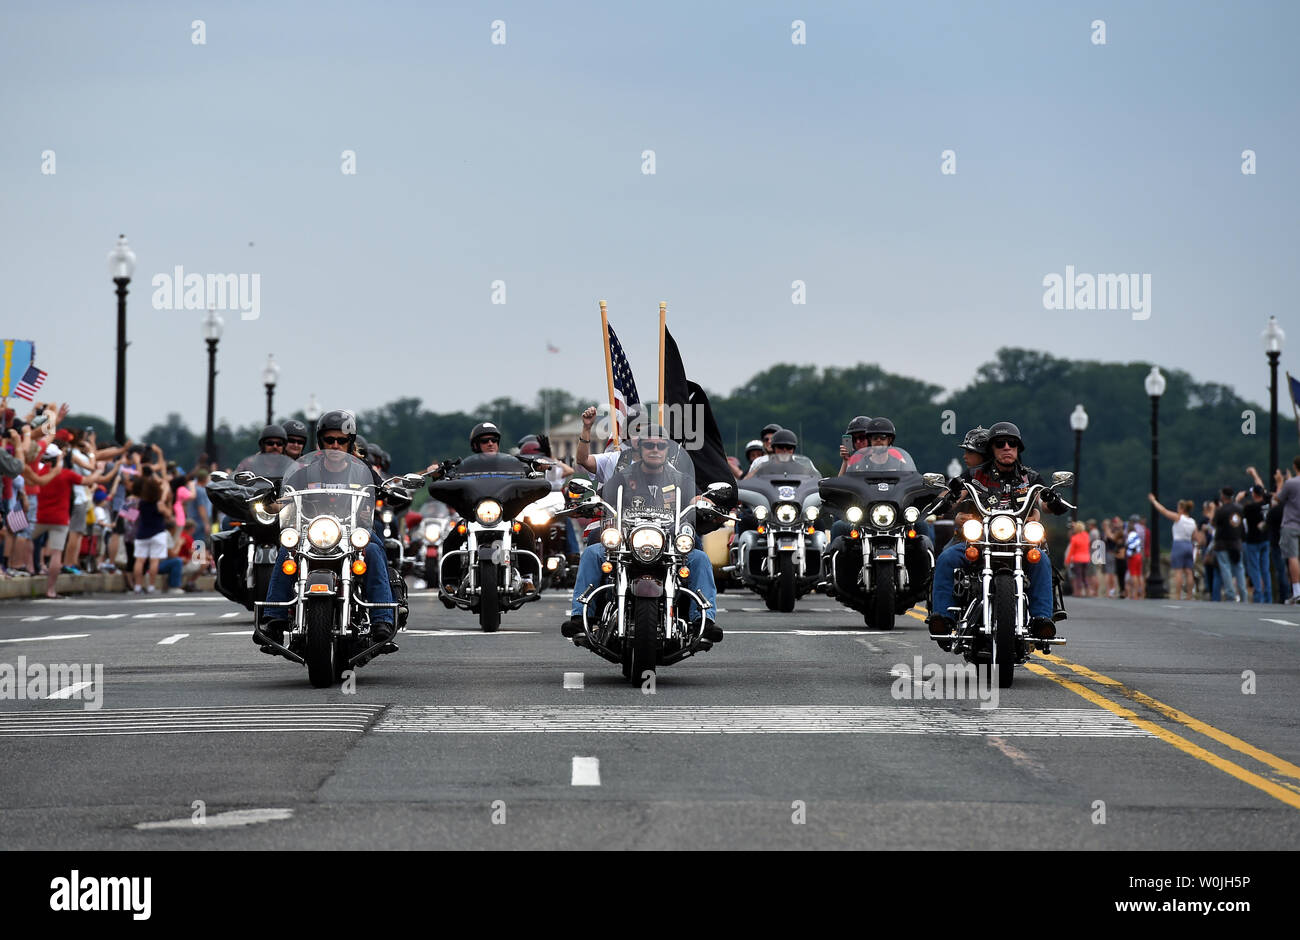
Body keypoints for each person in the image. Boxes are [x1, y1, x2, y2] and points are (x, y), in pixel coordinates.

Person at [561, 431, 723, 643]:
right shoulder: (624, 477)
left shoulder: (680, 479)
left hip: (669, 543)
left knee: (699, 558)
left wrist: (704, 503)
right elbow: (602, 496)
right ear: (640, 449)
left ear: (667, 449)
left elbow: (697, 497)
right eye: (649, 445)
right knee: (592, 553)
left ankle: (703, 620)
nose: (655, 450)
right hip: (628, 542)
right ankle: (581, 616)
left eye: (660, 446)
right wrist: (589, 502)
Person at [256, 410, 397, 649]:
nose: (335, 445)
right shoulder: (306, 469)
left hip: (353, 530)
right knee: (286, 551)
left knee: (373, 550)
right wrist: (273, 499)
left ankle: (382, 621)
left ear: (350, 442)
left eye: (341, 440)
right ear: (320, 441)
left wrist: (389, 491)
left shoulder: (361, 470)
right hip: (313, 530)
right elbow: (285, 493)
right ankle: (274, 621)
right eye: (329, 440)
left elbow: (382, 490)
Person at [928, 421, 1068, 642]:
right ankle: (943, 618)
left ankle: (1042, 619)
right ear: (991, 449)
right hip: (979, 541)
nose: (1006, 447)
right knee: (946, 558)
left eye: (1012, 443)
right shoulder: (974, 475)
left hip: (1020, 544)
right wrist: (947, 499)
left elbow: (1046, 503)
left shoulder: (1030, 477)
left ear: (1018, 448)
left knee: (1041, 559)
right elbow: (950, 497)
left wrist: (1054, 499)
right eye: (1000, 444)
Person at [1148, 494, 1197, 600]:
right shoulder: (1192, 521)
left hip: (1179, 544)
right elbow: (1195, 536)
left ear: (1182, 508)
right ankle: (1189, 595)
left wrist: (1154, 501)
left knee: (1178, 571)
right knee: (1189, 571)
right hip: (1188, 544)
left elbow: (1164, 511)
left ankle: (1178, 595)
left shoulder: (1179, 518)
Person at [1211, 487, 1247, 602]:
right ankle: (1243, 594)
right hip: (1236, 542)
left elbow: (1214, 523)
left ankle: (1231, 594)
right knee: (1239, 568)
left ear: (1223, 496)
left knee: (1225, 569)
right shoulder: (1240, 509)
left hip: (1222, 543)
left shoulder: (1221, 510)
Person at [1240, 483, 1271, 604]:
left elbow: (1240, 513)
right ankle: (1268, 596)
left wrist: (1238, 499)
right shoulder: (1267, 504)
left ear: (1254, 494)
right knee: (1265, 569)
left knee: (1255, 569)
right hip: (1265, 539)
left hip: (1253, 540)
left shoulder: (1250, 508)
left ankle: (1258, 596)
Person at [1066, 521, 1091, 597]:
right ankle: (1087, 592)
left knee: (1078, 576)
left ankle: (1078, 592)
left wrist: (1067, 560)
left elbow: (1072, 551)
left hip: (1078, 559)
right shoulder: (1087, 536)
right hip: (1086, 558)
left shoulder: (1074, 538)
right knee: (1084, 576)